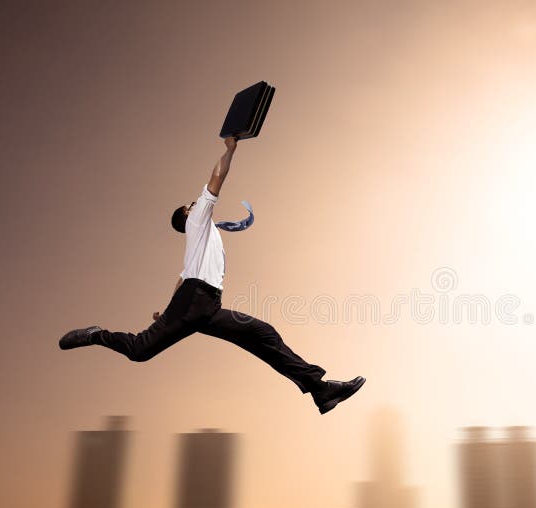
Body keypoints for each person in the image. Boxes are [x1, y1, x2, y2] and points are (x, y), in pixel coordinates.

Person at [59, 136, 365, 415]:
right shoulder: (197, 220)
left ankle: (321, 390)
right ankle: (95, 334)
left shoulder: (201, 236)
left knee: (263, 334)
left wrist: (167, 311)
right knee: (140, 350)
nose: (196, 204)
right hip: (196, 301)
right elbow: (217, 177)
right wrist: (230, 149)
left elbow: (182, 278)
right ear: (187, 215)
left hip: (204, 305)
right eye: (191, 206)